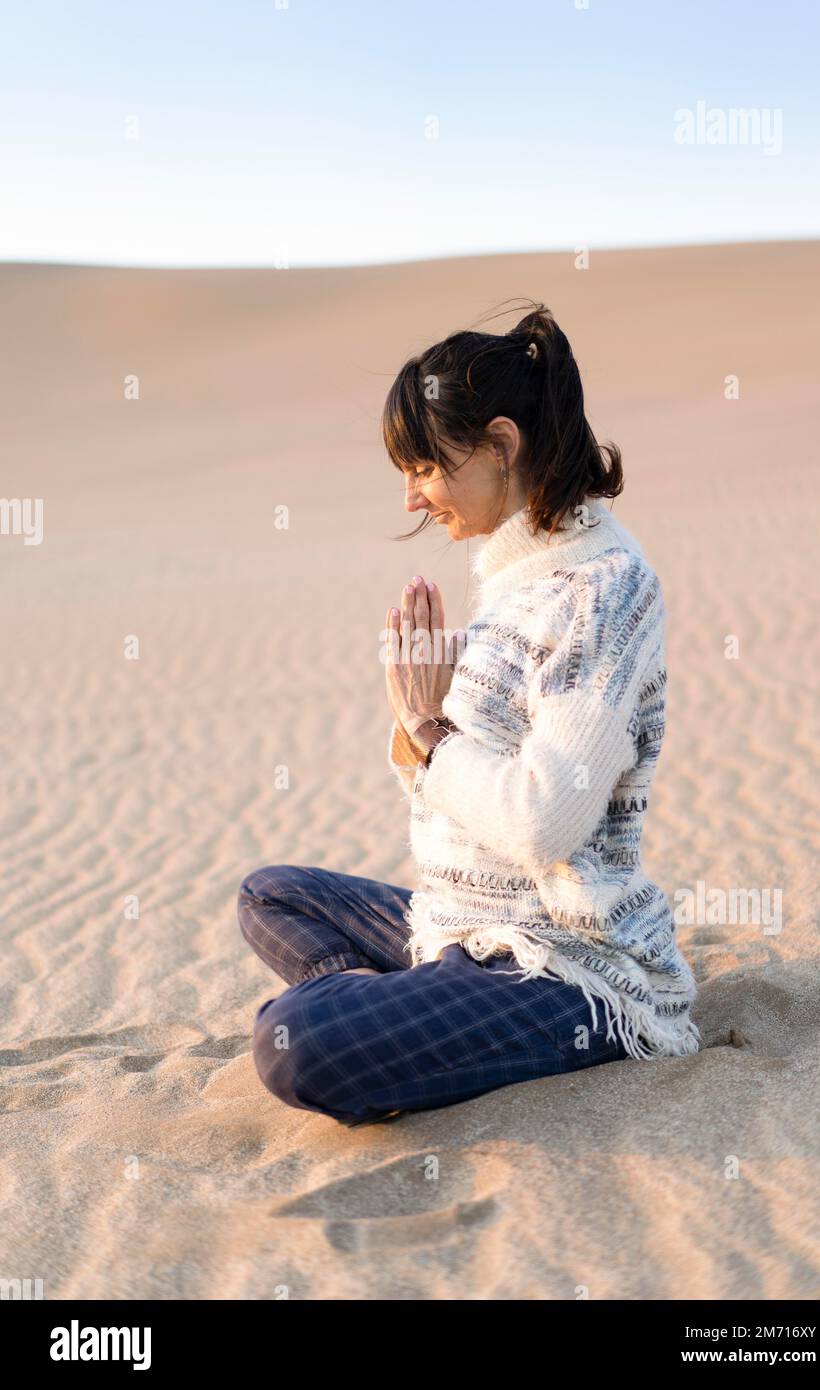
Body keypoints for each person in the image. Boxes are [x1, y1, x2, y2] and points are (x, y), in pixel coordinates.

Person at [237, 300, 701, 1128]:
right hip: (463, 920)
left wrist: (428, 731)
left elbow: (543, 822)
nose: (413, 498)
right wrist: (427, 726)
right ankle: (414, 1005)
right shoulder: (516, 574)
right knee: (271, 896)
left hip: (563, 962)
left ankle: (402, 1016)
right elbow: (451, 793)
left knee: (293, 1044)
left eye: (424, 466)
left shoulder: (603, 591)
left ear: (501, 444)